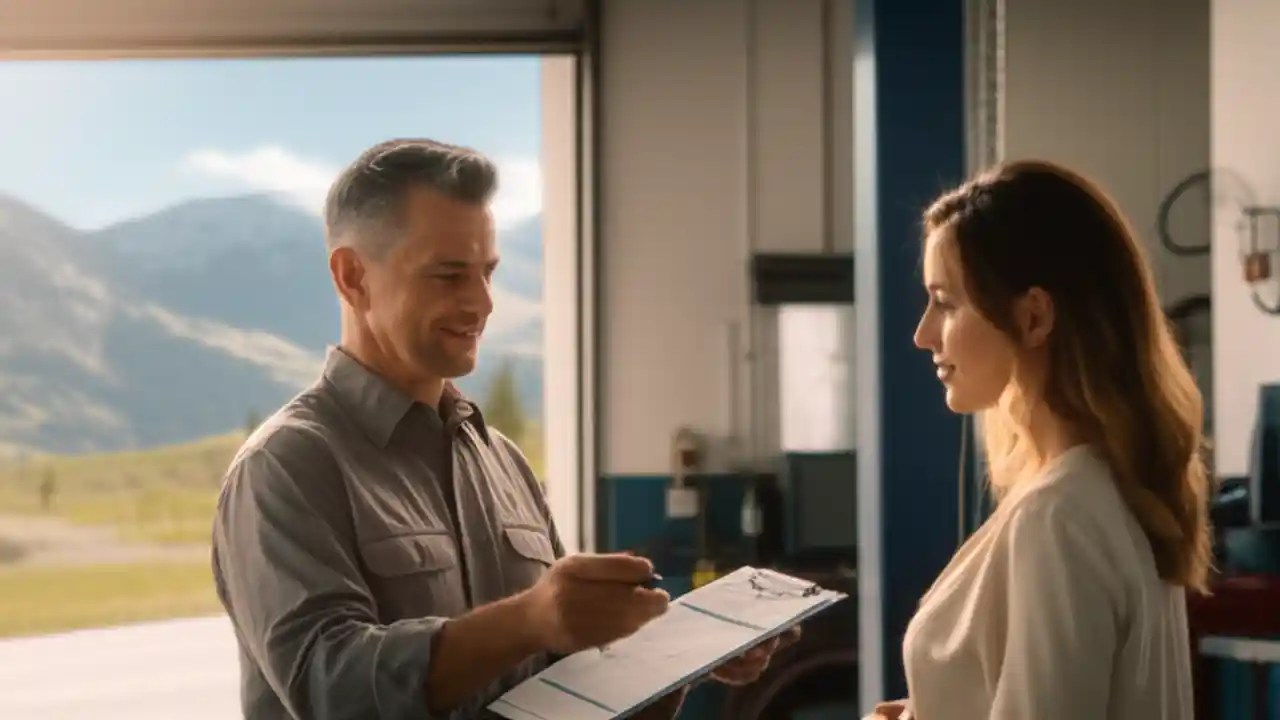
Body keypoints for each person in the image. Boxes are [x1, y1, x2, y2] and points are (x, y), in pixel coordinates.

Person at [212, 138, 790, 720]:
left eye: (487, 272)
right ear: (353, 276)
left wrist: (677, 656)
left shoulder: (502, 460)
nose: (483, 303)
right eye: (449, 275)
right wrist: (528, 620)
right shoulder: (285, 466)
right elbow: (329, 691)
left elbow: (562, 691)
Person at [868, 160, 1211, 720]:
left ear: (1032, 318)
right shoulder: (1105, 488)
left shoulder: (1058, 518)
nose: (923, 334)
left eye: (946, 303)